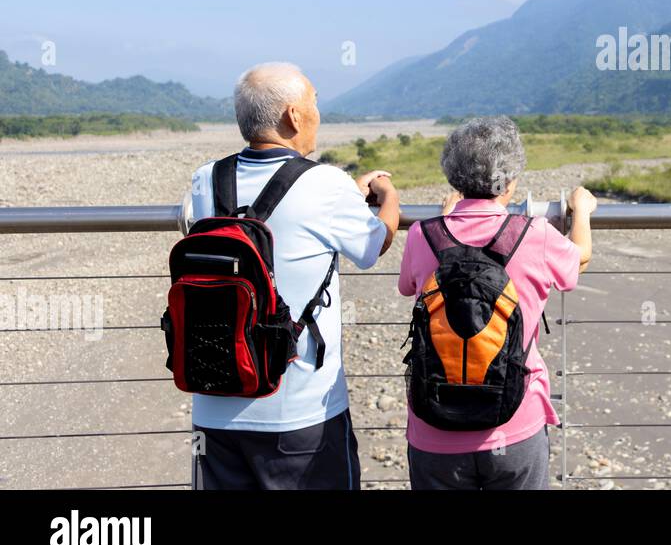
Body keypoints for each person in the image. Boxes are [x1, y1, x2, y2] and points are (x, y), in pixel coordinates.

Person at [188, 62, 400, 489]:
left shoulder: (204, 178)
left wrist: (342, 195)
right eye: (314, 101)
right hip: (299, 417)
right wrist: (386, 196)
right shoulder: (326, 183)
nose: (318, 111)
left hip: (212, 408)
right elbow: (375, 244)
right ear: (293, 116)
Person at [399, 115, 596, 489]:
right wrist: (581, 210)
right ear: (511, 180)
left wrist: (444, 220)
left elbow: (408, 287)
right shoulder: (534, 234)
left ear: (452, 177)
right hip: (515, 423)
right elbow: (579, 259)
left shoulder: (423, 234)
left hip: (434, 430)